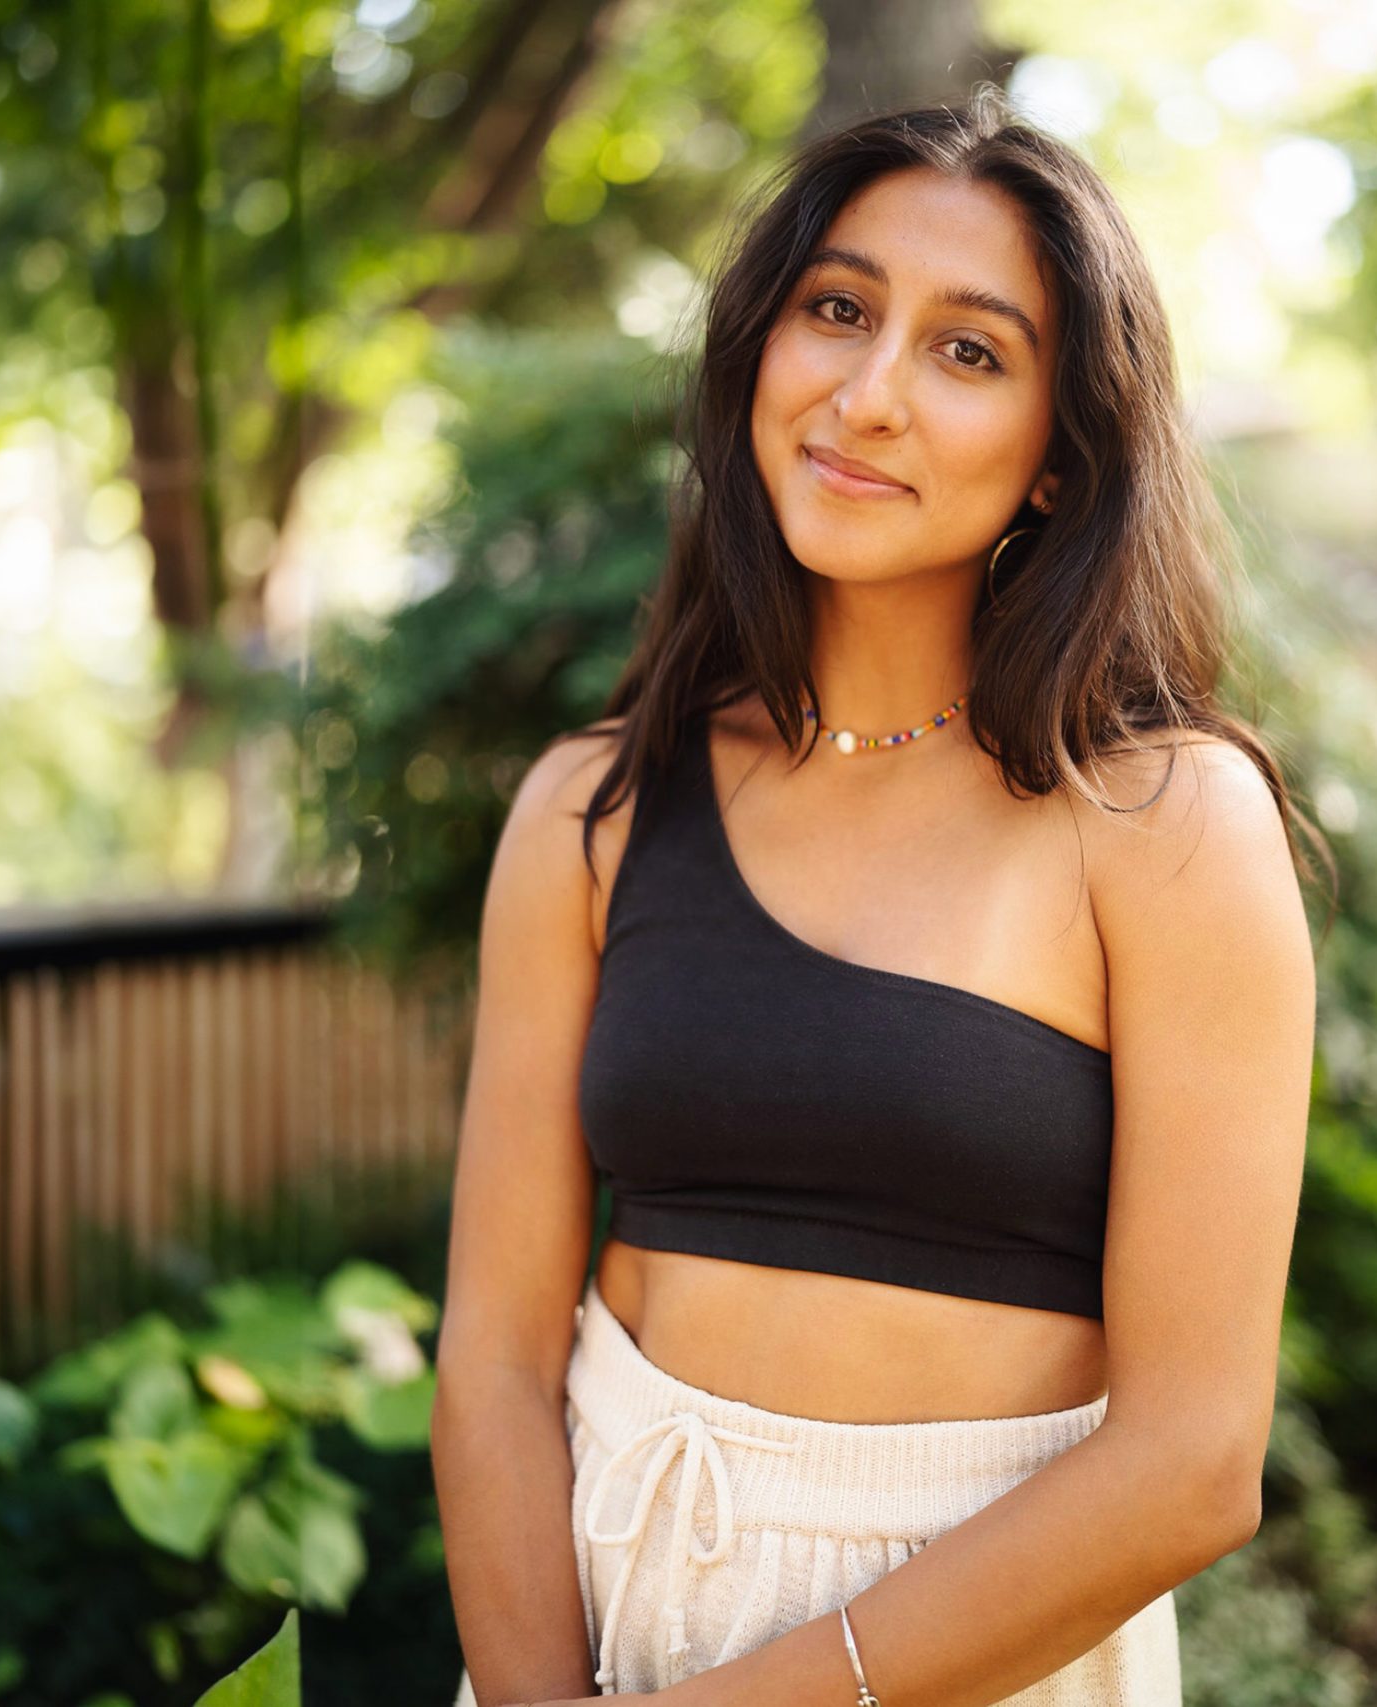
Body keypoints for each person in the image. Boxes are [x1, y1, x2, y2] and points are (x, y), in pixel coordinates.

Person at [432, 85, 1327, 1707]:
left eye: (968, 352)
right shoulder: (595, 807)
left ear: (1060, 461)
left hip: (971, 1658)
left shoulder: (1170, 823)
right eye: (837, 311)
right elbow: (495, 1356)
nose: (867, 393)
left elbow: (1197, 1458)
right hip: (599, 1618)